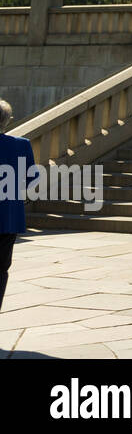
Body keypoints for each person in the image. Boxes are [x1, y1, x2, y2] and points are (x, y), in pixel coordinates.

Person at [0, 99, 32, 312]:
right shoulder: (21, 145)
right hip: (7, 217)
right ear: (7, 121)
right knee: (1, 269)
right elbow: (29, 178)